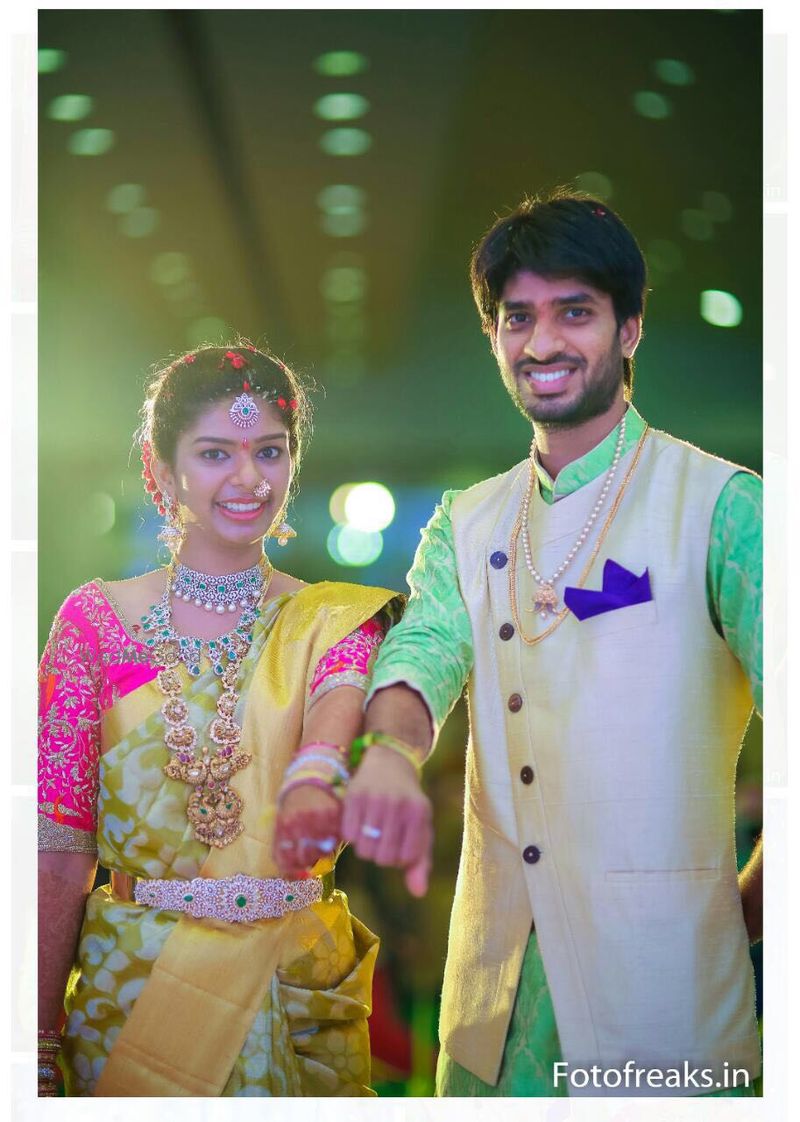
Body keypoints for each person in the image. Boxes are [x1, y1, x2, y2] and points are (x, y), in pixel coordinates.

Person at [338, 190, 763, 1097]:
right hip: (493, 1015)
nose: (542, 344)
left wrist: (759, 896)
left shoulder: (723, 507)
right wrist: (385, 756)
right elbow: (424, 652)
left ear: (631, 328)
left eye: (575, 312)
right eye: (517, 317)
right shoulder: (466, 519)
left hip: (669, 1008)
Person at [37, 342, 402, 1097]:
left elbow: (338, 714)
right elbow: (59, 847)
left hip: (293, 984)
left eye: (269, 451)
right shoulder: (94, 624)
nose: (248, 479)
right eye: (214, 454)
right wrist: (35, 1039)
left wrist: (320, 768)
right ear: (160, 470)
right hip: (134, 990)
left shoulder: (332, 621)